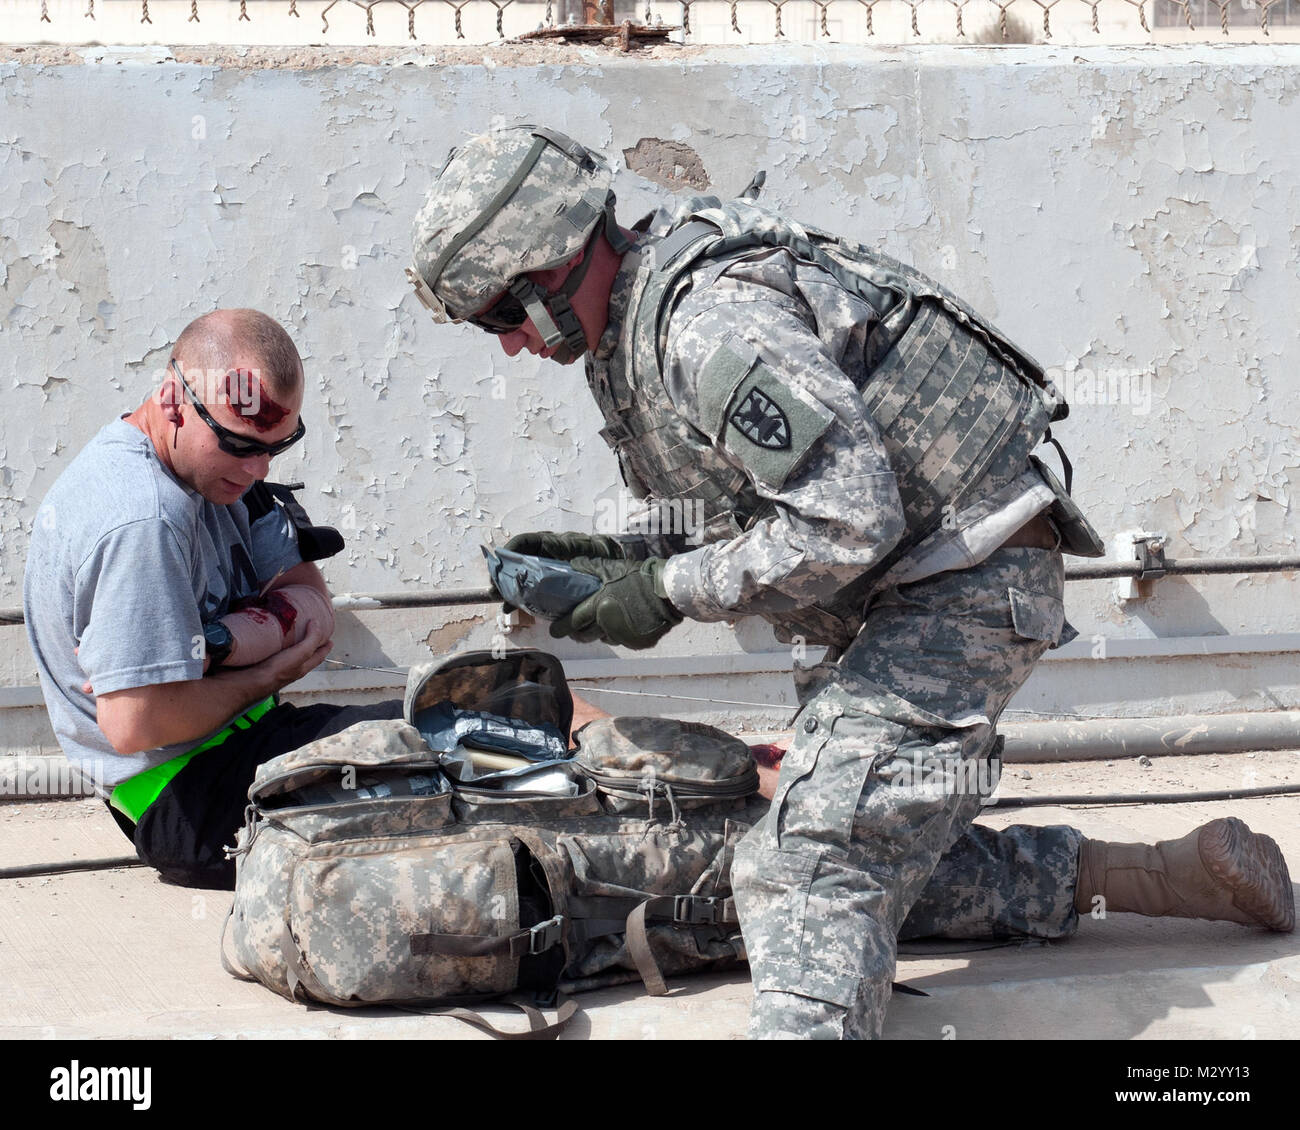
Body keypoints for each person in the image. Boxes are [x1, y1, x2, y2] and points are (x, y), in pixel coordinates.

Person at [407, 125, 1295, 1038]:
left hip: (963, 586)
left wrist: (671, 590)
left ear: (541, 272)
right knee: (861, 838)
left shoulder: (706, 325)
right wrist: (636, 561)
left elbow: (846, 517)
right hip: (900, 595)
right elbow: (767, 502)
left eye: (496, 318)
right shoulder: (640, 323)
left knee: (812, 863)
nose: (510, 347)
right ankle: (1160, 874)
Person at [24, 309, 405, 890]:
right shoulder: (142, 520)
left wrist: (216, 647)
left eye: (277, 448)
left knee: (479, 721)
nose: (256, 469)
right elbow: (136, 721)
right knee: (457, 740)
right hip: (192, 799)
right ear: (175, 399)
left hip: (243, 750)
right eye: (237, 444)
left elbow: (312, 607)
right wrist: (270, 666)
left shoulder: (221, 479)